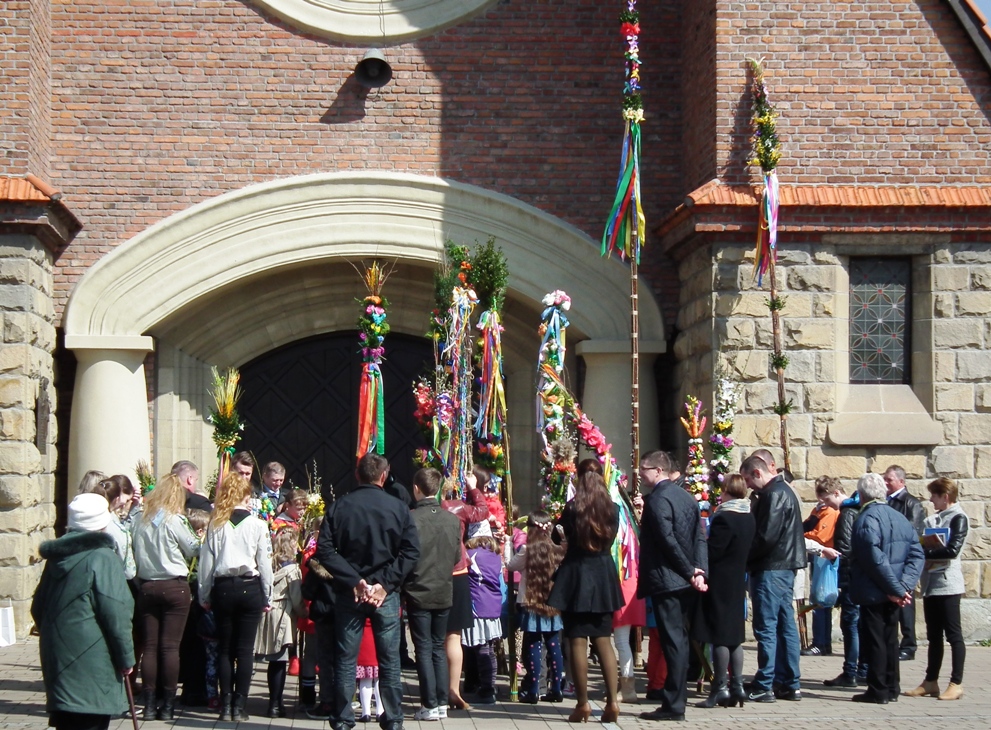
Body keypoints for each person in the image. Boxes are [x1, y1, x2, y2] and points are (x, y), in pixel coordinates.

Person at [315, 453, 420, 730]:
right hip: (380, 591)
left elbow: (324, 550)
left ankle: (343, 718)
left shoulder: (340, 507)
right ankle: (394, 718)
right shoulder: (398, 508)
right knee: (389, 660)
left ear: (358, 474)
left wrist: (355, 580)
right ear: (383, 476)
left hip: (353, 592)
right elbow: (411, 552)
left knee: (346, 659)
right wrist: (384, 583)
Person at [32, 493, 136, 730]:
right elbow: (116, 613)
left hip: (58, 657)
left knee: (67, 721)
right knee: (90, 721)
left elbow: (38, 607)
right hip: (94, 659)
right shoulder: (102, 557)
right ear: (102, 521)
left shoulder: (56, 558)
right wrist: (126, 657)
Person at [636, 450, 708, 722]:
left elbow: (668, 540)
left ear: (658, 470)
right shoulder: (686, 497)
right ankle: (674, 699)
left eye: (645, 468)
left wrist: (691, 571)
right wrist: (700, 572)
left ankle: (674, 703)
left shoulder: (658, 500)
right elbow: (699, 537)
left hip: (668, 579)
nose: (641, 473)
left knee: (673, 642)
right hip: (684, 579)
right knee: (678, 641)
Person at [547, 471, 624, 724]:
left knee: (577, 640)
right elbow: (612, 538)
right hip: (602, 573)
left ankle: (582, 704)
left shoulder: (574, 508)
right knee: (603, 639)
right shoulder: (612, 508)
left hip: (577, 573)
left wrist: (560, 529)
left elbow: (556, 538)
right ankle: (612, 701)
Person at [198, 471, 274, 721]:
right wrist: (267, 595)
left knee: (225, 650)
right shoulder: (257, 525)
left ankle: (226, 705)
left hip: (223, 588)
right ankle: (239, 706)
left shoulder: (216, 524)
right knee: (244, 650)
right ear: (245, 497)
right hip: (249, 586)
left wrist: (204, 594)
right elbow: (264, 564)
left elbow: (206, 564)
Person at [848, 472, 924, 705]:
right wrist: (903, 587)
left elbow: (874, 559)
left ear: (861, 495)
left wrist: (898, 589)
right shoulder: (899, 517)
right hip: (893, 590)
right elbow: (916, 555)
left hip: (876, 590)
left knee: (877, 641)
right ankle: (892, 686)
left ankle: (879, 689)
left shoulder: (866, 519)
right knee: (890, 638)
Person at [131, 473, 201, 720]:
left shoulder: (139, 520)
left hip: (148, 585)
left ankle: (149, 705)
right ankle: (168, 706)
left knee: (150, 646)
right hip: (174, 585)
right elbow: (193, 547)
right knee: (170, 647)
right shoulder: (175, 520)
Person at [739, 454, 805, 703]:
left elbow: (766, 536)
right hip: (782, 567)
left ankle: (766, 682)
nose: (747, 486)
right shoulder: (781, 491)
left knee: (767, 627)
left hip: (771, 567)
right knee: (784, 625)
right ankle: (789, 682)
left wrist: (743, 557)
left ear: (757, 473)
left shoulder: (773, 494)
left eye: (748, 479)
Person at [403, 467, 463, 721]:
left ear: (417, 489)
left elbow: (405, 556)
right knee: (438, 646)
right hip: (443, 589)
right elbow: (457, 557)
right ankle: (440, 702)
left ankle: (429, 703)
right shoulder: (452, 520)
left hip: (419, 589)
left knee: (424, 647)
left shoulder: (411, 519)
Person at [692, 473, 755, 708]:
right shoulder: (748, 516)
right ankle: (737, 685)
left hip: (720, 581)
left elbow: (714, 551)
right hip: (737, 579)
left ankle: (720, 687)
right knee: (734, 637)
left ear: (728, 491)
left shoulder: (725, 518)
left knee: (719, 636)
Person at [904, 477, 969, 701]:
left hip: (948, 584)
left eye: (934, 495)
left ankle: (956, 682)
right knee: (933, 636)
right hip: (931, 583)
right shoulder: (933, 519)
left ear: (945, 496)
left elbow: (952, 550)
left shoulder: (958, 518)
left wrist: (923, 553)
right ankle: (931, 681)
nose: (931, 499)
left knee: (953, 634)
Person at [441, 471, 490, 710]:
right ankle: (453, 689)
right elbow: (482, 511)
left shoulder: (421, 508)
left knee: (430, 638)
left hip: (430, 573)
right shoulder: (460, 508)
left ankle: (435, 692)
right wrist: (474, 489)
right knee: (453, 636)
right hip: (457, 571)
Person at [507, 510, 565, 704]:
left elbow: (510, 565)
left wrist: (508, 543)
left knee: (533, 644)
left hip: (530, 602)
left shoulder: (526, 550)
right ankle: (556, 688)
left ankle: (533, 690)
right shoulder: (556, 550)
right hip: (551, 603)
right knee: (553, 644)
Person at [818, 481, 867, 688]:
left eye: (828, 500)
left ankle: (851, 671)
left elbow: (845, 546)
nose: (828, 505)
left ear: (837, 493)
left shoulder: (847, 512)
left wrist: (837, 561)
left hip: (850, 576)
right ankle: (863, 669)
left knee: (850, 625)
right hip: (861, 576)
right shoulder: (858, 508)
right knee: (858, 624)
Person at [255, 528, 306, 717]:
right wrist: (304, 613)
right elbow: (296, 597)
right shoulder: (292, 569)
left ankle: (248, 700)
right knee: (279, 661)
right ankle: (275, 704)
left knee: (265, 660)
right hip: (283, 614)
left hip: (265, 612)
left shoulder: (267, 564)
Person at [882, 465, 925, 662]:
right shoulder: (885, 501)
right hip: (888, 560)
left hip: (903, 561)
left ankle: (909, 644)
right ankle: (892, 642)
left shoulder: (910, 503)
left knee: (905, 603)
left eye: (889, 479)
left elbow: (913, 533)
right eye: (884, 479)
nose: (886, 483)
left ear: (901, 481)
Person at [462, 536, 505, 704]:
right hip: (493, 605)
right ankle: (487, 686)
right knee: (487, 648)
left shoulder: (471, 554)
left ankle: (487, 689)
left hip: (477, 605)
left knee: (481, 650)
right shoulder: (495, 555)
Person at [802, 476, 841, 657]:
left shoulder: (831, 512)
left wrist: (805, 534)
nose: (821, 502)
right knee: (819, 600)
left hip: (826, 556)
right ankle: (822, 642)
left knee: (821, 600)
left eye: (824, 498)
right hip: (819, 558)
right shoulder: (820, 511)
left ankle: (821, 642)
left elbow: (821, 537)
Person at [356, 619, 384, 721]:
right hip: (379, 643)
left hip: (363, 642)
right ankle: (380, 712)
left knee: (364, 680)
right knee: (379, 680)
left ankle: (365, 713)